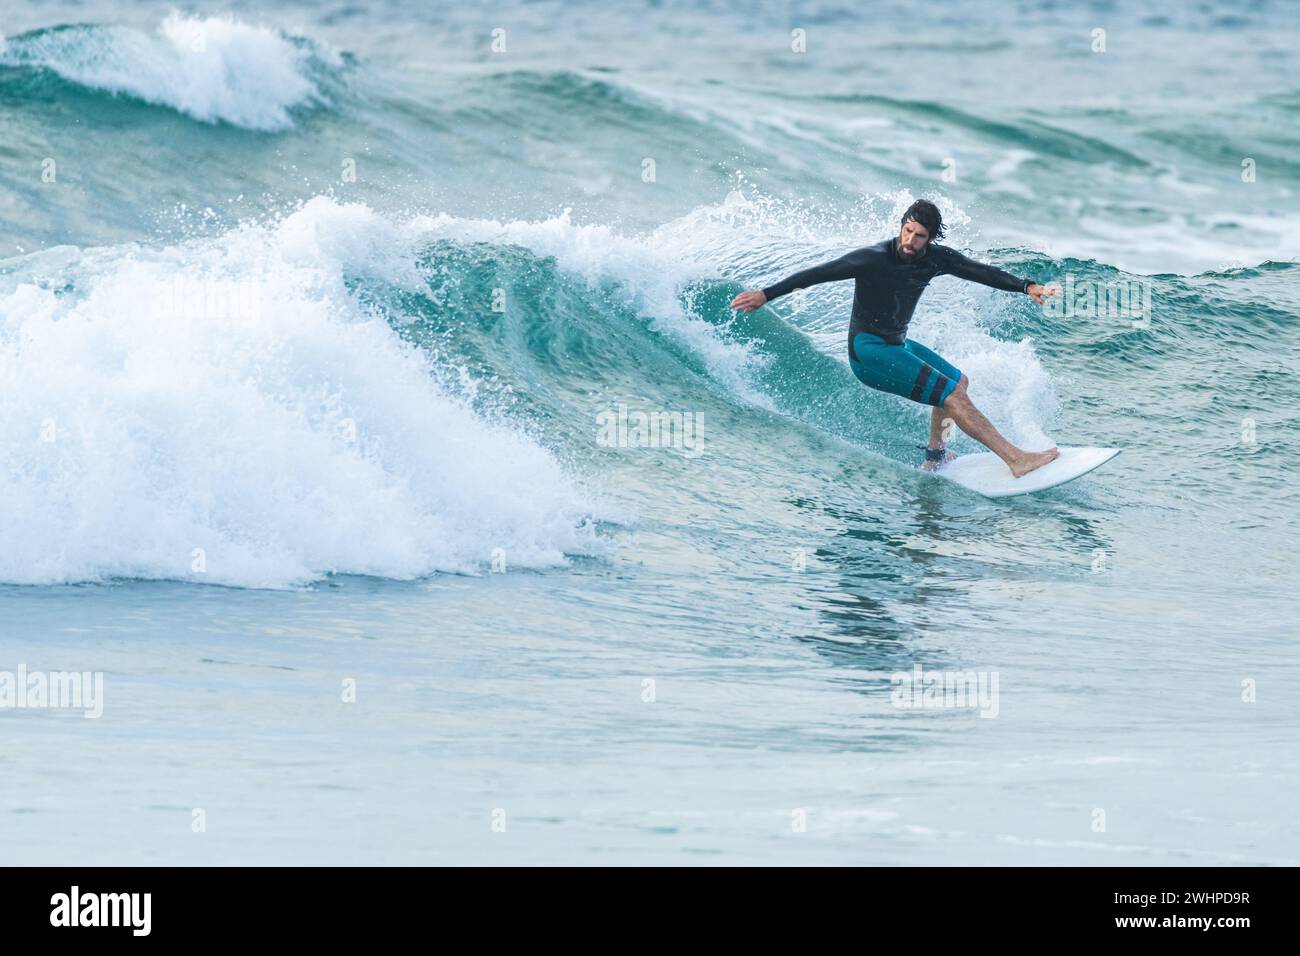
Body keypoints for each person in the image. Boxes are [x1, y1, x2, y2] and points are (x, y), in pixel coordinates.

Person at [731, 200, 1060, 477]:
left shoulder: (935, 259)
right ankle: (1016, 460)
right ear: (901, 226)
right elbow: (817, 274)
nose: (910, 241)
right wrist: (766, 294)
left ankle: (935, 457)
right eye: (907, 231)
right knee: (952, 397)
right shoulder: (872, 259)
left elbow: (980, 271)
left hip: (895, 345)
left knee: (958, 383)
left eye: (919, 237)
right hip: (868, 352)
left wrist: (1026, 286)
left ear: (929, 239)